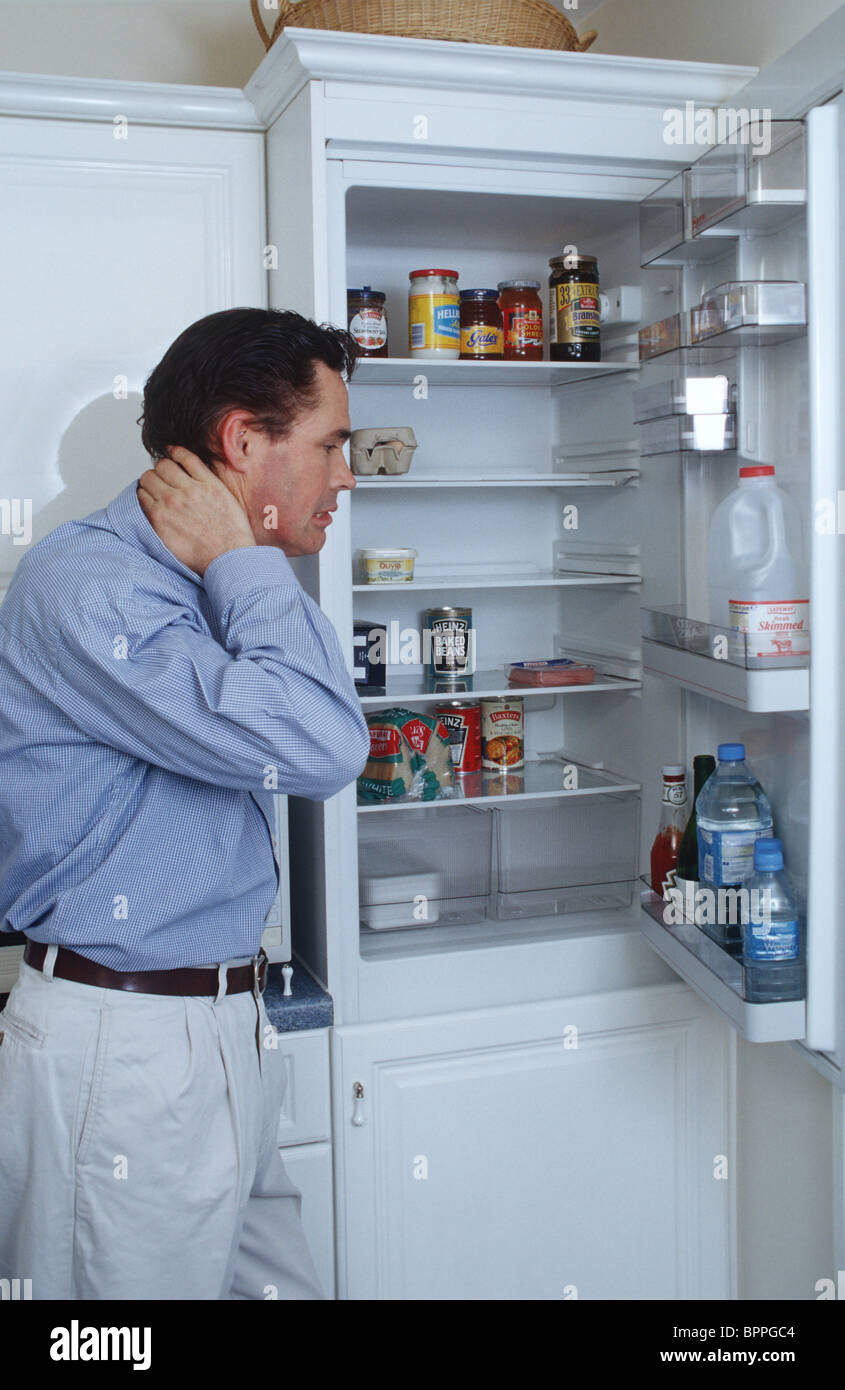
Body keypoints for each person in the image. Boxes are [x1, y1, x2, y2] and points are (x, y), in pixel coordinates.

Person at [0, 307, 370, 1300]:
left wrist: (239, 566)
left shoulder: (224, 581)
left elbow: (320, 724)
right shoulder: (92, 590)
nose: (346, 475)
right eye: (330, 445)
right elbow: (326, 747)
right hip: (123, 1052)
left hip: (224, 1030)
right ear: (243, 440)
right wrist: (246, 564)